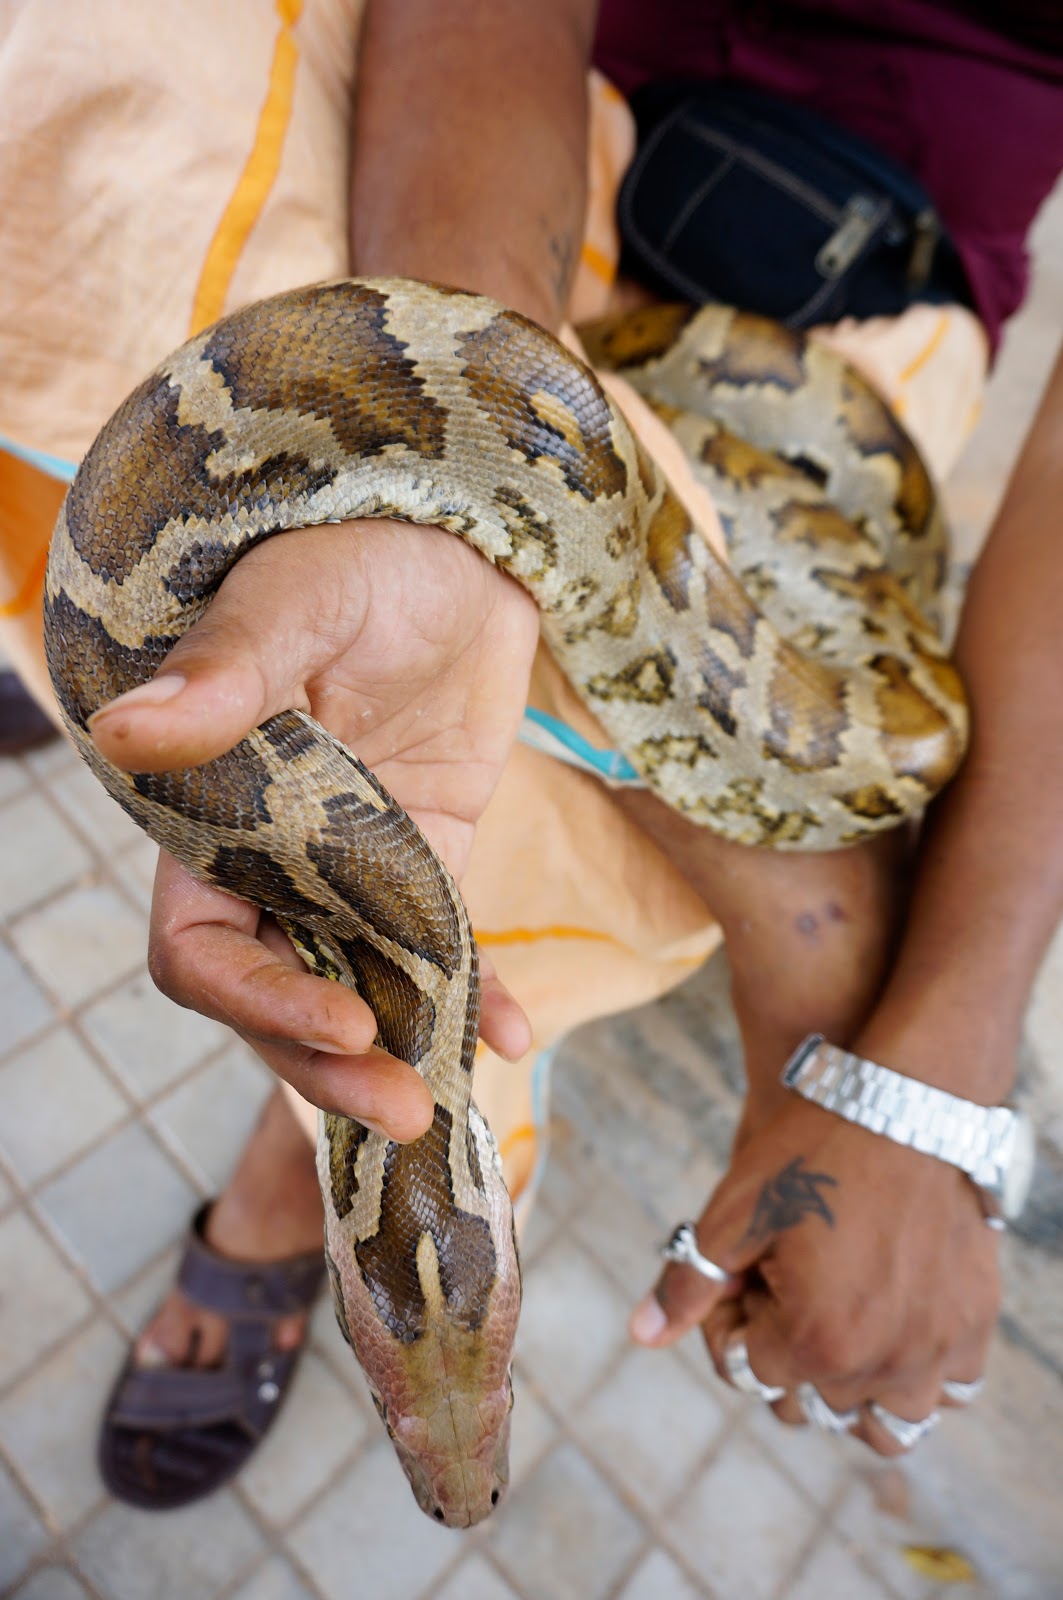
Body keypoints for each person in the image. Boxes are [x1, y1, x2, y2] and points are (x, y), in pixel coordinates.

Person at [2, 0, 1061, 1510]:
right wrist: (456, 447)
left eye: (438, 1388)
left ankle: (305, 1151)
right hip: (526, 135)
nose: (462, 1479)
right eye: (479, 1377)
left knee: (438, 815)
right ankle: (782, 922)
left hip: (871, 289)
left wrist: (946, 1061)